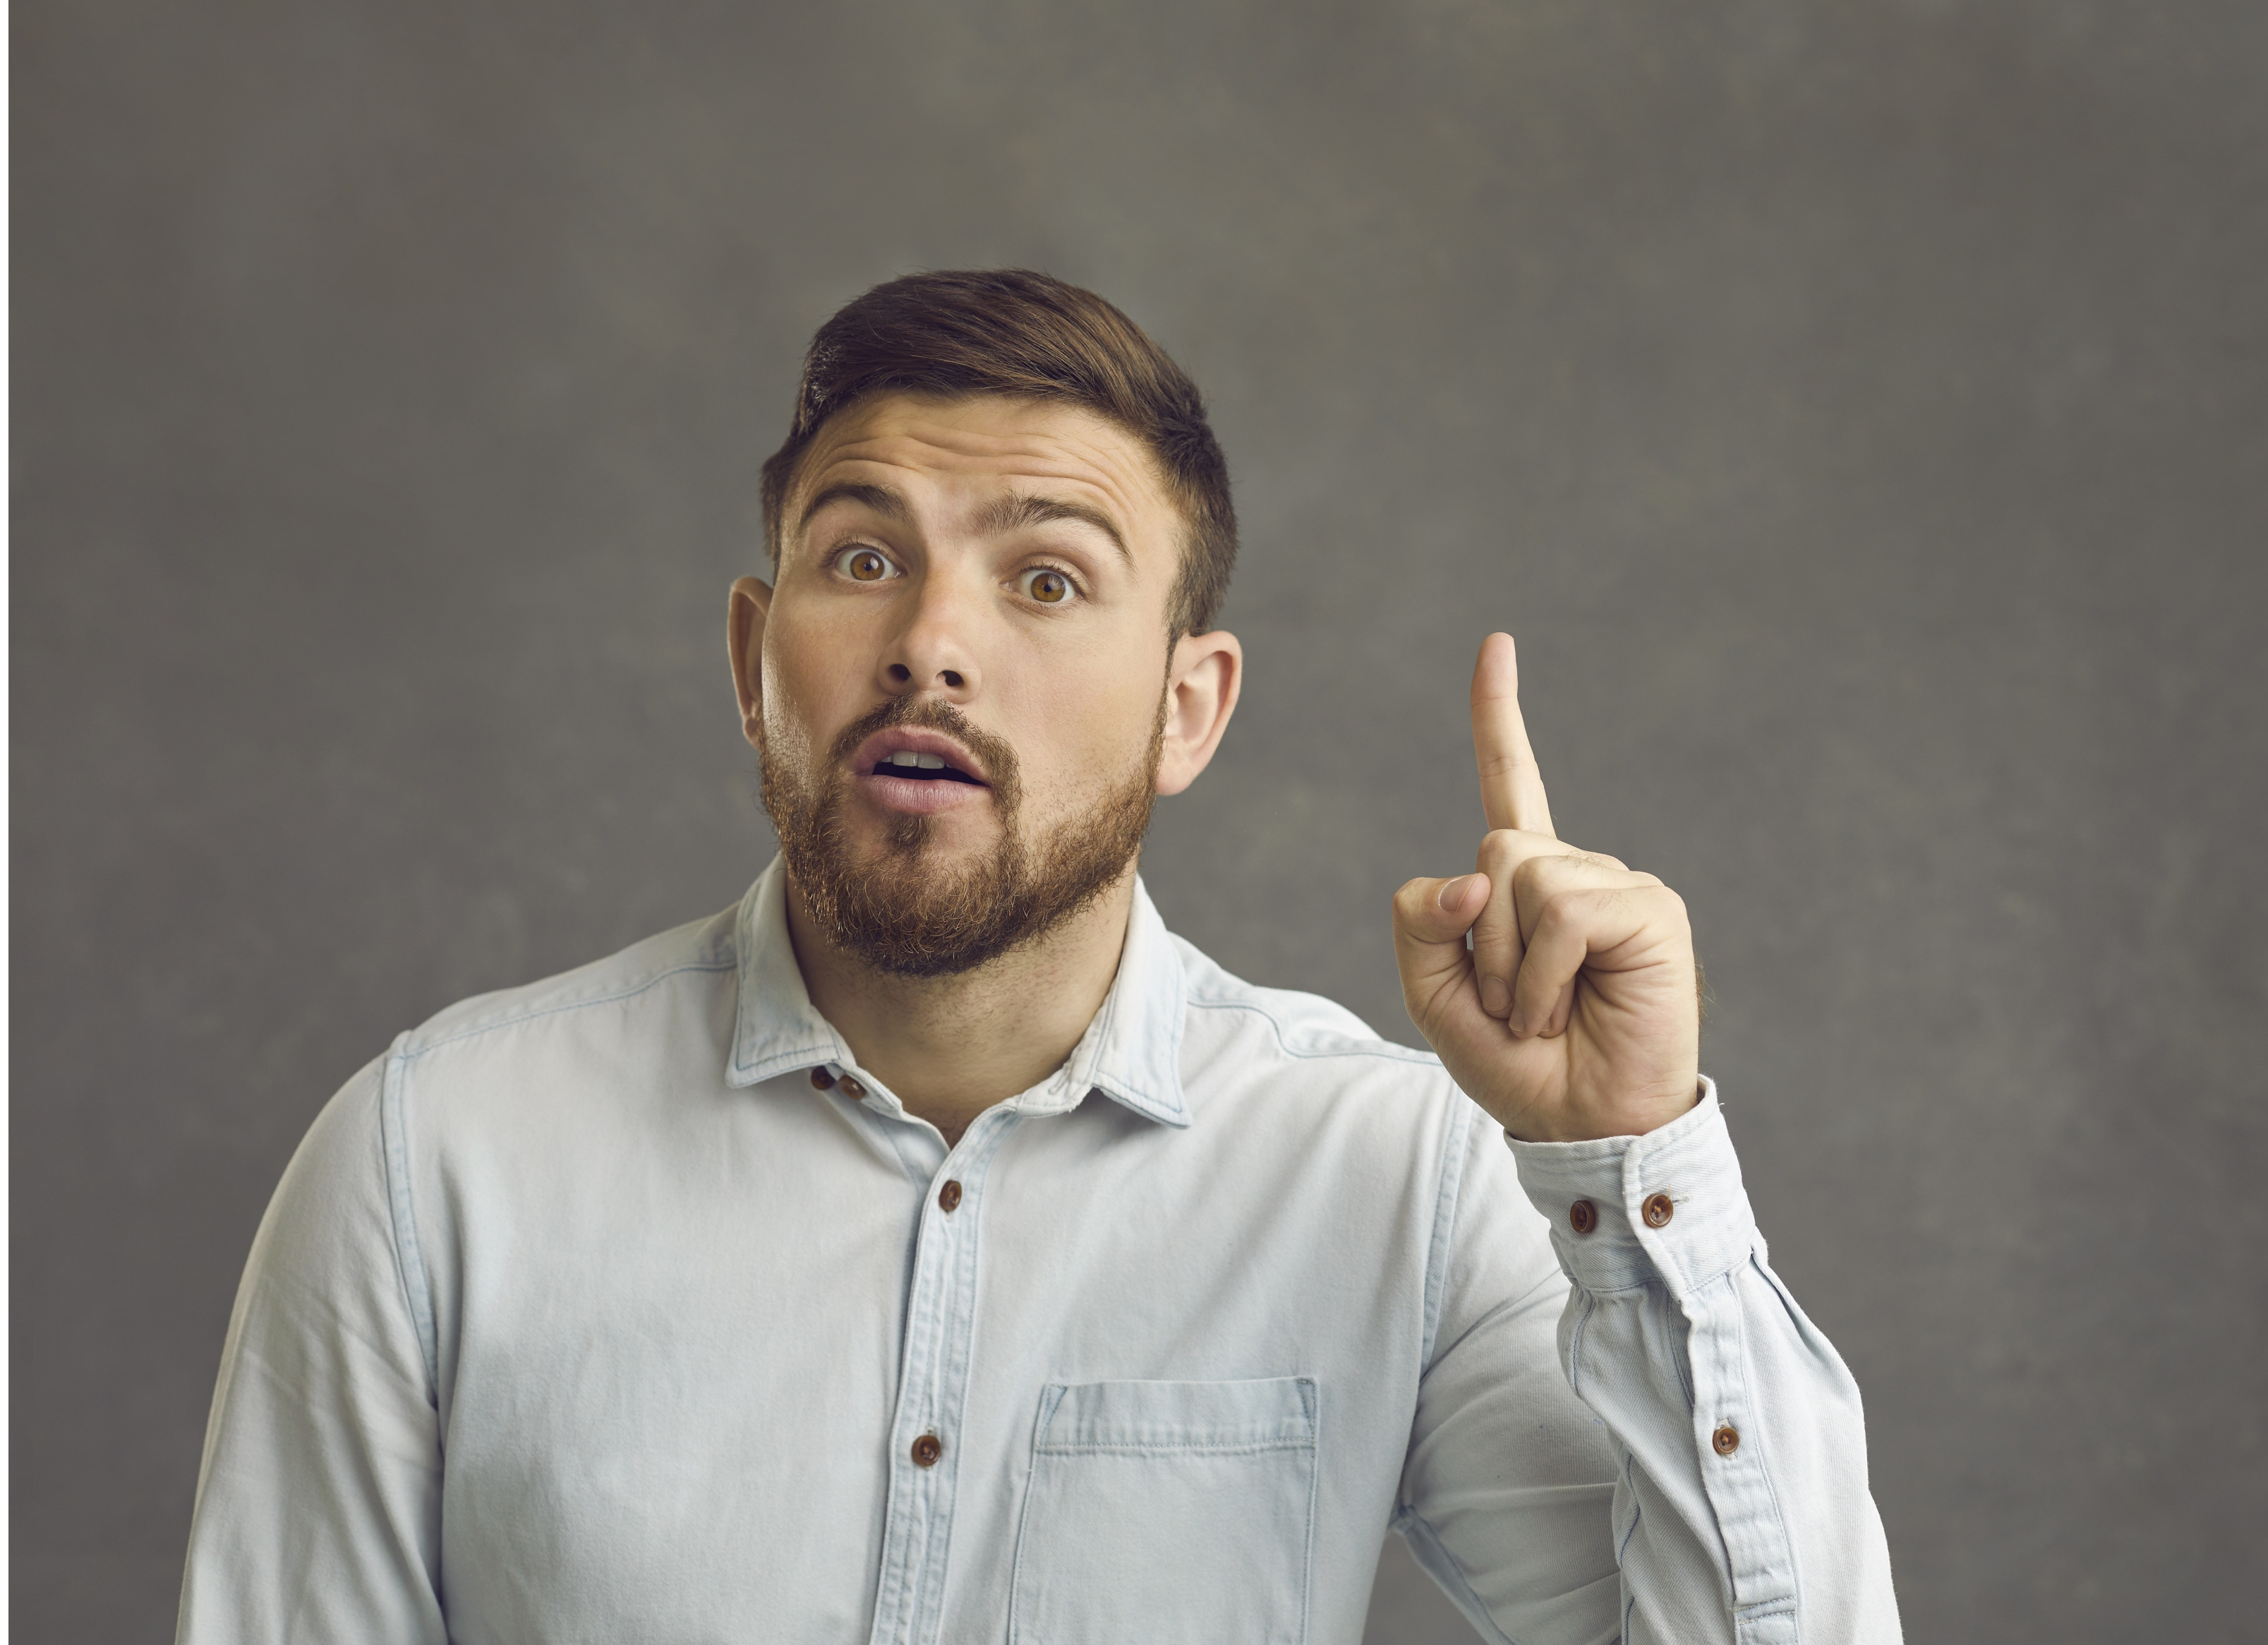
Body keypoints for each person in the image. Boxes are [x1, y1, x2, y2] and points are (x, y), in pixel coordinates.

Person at [175, 269, 1902, 1644]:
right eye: (864, 558)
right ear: (753, 653)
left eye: (1048, 581)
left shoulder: (1388, 1173)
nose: (931, 643)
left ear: (1187, 706)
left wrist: (1633, 1150)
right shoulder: (432, 1159)